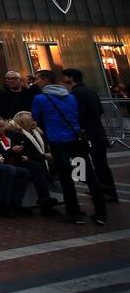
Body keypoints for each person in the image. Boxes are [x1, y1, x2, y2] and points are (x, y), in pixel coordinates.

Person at [31, 70, 107, 225]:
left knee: (66, 178)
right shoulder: (70, 97)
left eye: (37, 79)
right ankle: (101, 213)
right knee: (88, 175)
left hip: (58, 142)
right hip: (76, 140)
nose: (36, 82)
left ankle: (74, 213)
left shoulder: (41, 98)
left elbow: (35, 117)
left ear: (45, 80)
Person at [61, 68, 118, 202]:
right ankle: (106, 189)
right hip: (98, 132)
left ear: (70, 78)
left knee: (87, 163)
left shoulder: (75, 93)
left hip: (87, 133)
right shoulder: (90, 90)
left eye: (65, 77)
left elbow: (78, 114)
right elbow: (100, 110)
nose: (64, 79)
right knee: (101, 163)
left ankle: (105, 190)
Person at [1, 115, 59, 215]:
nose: (34, 122)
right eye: (31, 120)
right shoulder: (18, 135)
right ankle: (45, 200)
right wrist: (43, 156)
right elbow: (23, 156)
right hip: (25, 163)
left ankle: (51, 197)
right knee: (37, 167)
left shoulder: (38, 133)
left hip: (38, 160)